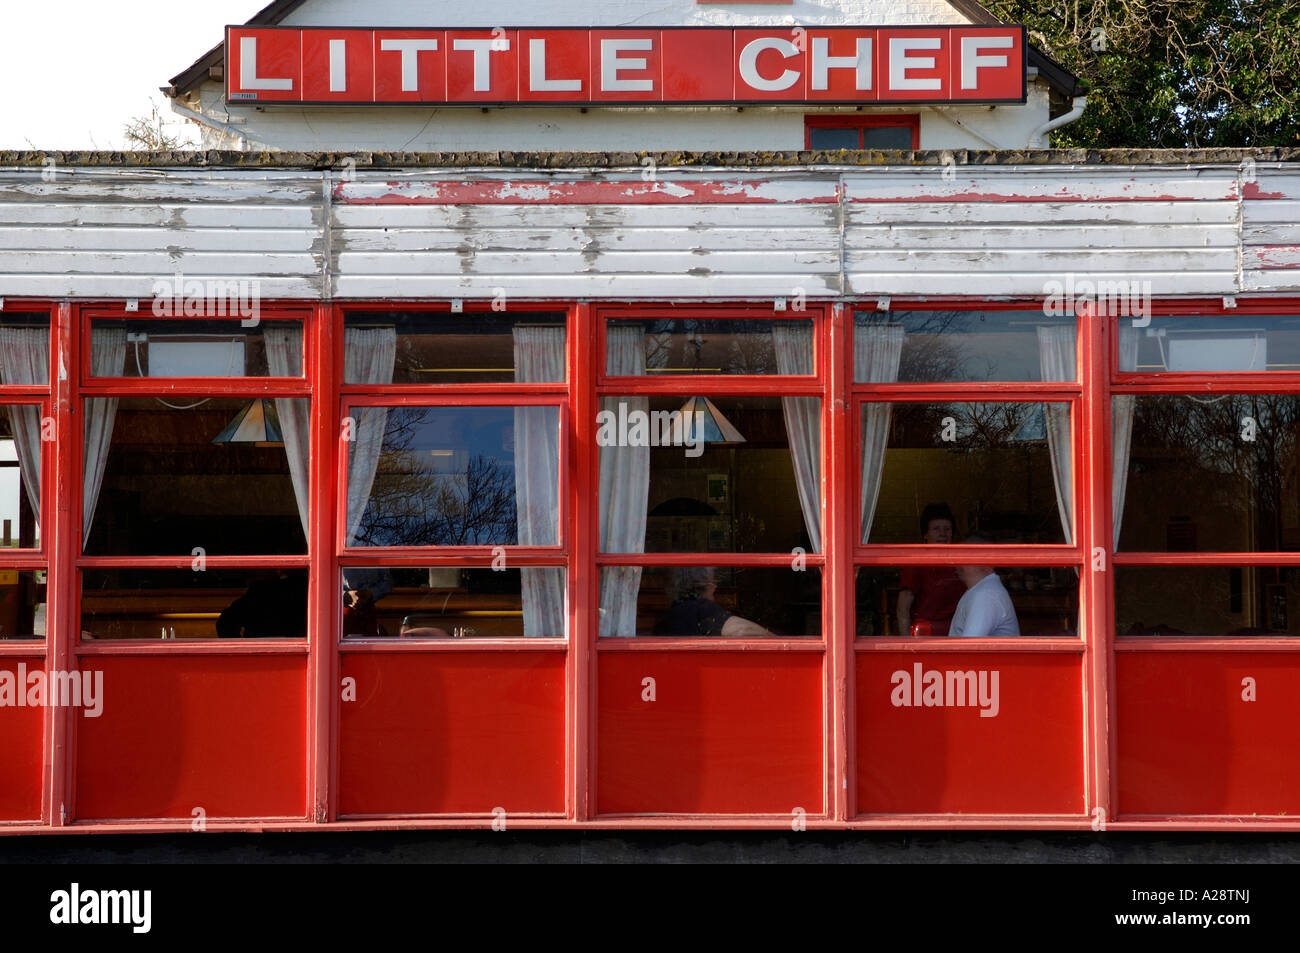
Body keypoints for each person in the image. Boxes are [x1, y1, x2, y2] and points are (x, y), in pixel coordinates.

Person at [897, 503, 966, 637]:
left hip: (960, 633)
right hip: (927, 636)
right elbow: (902, 610)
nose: (942, 534)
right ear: (925, 534)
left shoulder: (960, 562)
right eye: (936, 529)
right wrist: (906, 646)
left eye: (947, 529)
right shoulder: (916, 563)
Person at [653, 567, 772, 637]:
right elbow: (741, 629)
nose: (715, 586)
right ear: (701, 583)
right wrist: (778, 639)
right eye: (712, 580)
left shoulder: (670, 613)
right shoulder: (702, 608)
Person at [949, 544, 1021, 638]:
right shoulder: (982, 589)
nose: (958, 562)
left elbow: (969, 646)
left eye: (966, 557)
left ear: (988, 564)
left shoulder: (986, 595)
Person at [217, 571, 309, 638]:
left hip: (256, 654)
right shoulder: (306, 590)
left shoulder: (260, 591)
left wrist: (240, 647)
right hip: (293, 652)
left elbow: (225, 623)